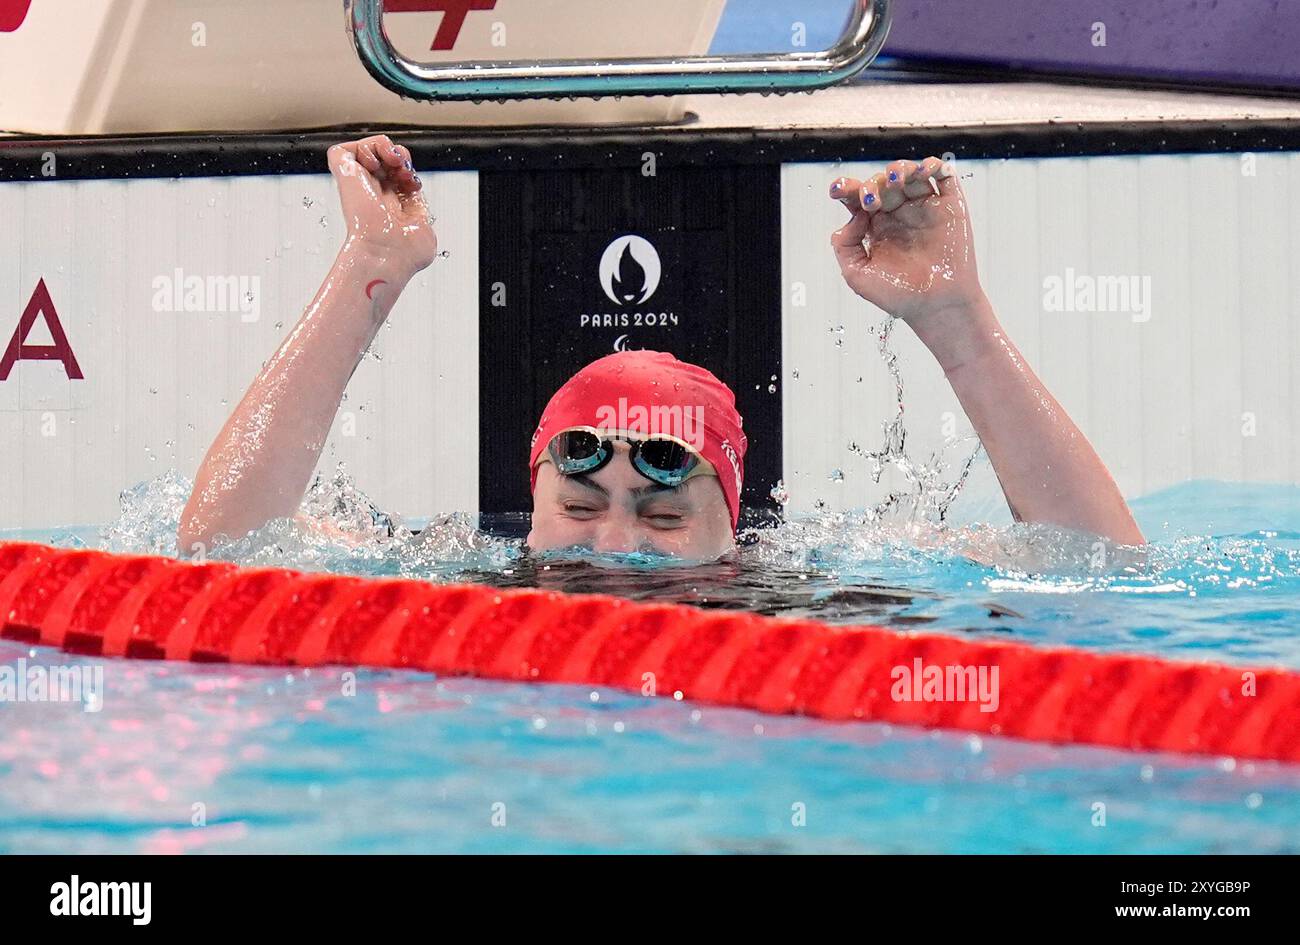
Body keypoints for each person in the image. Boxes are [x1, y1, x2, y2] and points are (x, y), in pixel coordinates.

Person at [178, 135, 1143, 562]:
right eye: (580, 504)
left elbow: (1099, 567)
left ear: (735, 519)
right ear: (536, 494)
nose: (613, 548)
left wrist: (957, 321)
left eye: (665, 519)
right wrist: (371, 268)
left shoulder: (811, 584)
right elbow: (217, 554)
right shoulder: (467, 571)